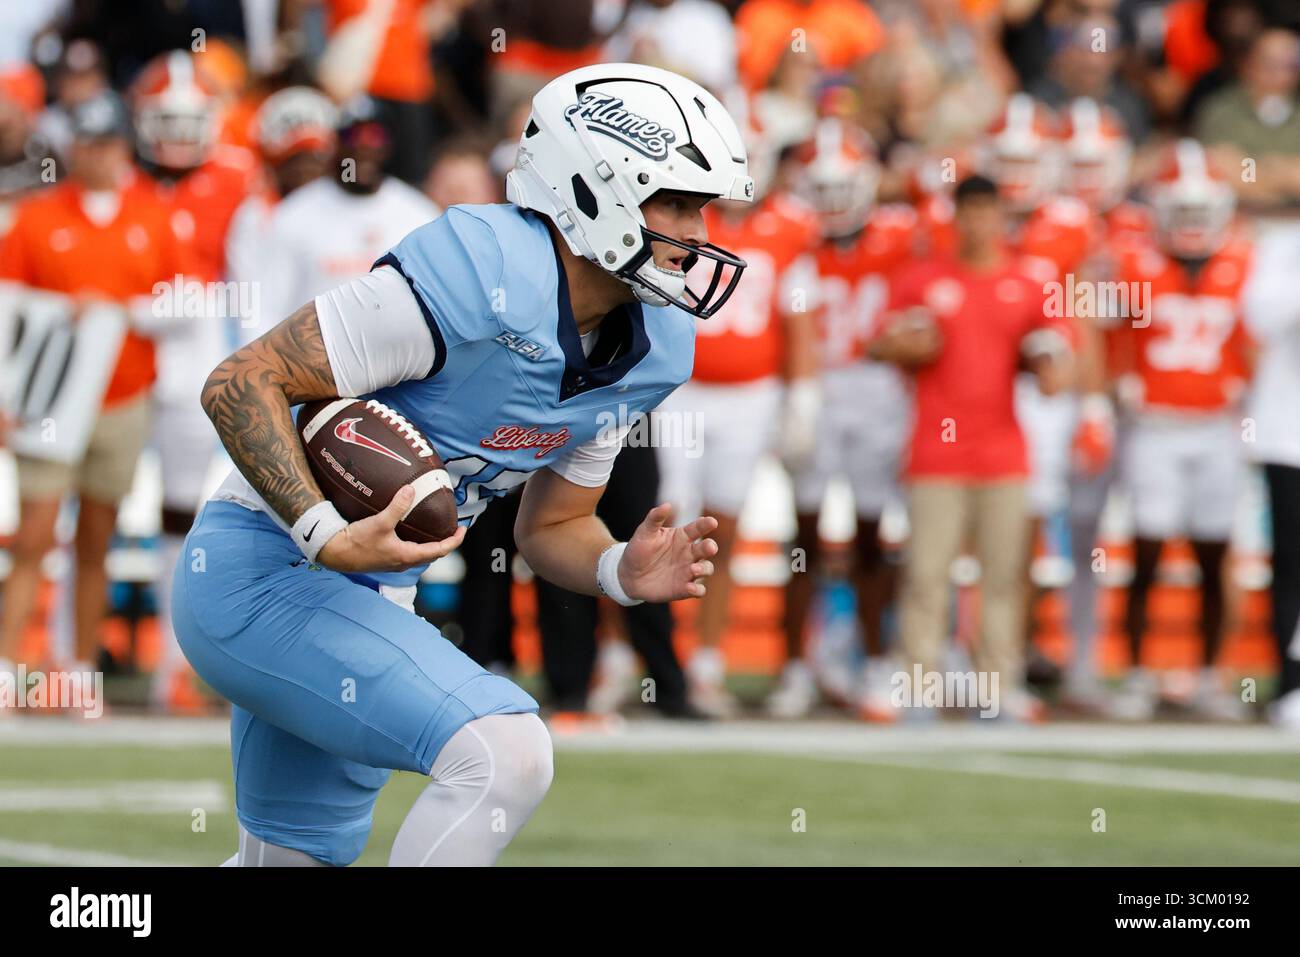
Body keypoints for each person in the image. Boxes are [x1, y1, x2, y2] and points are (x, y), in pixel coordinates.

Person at [173, 63, 750, 866]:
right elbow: (242, 381)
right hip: (266, 570)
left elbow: (554, 525)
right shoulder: (480, 269)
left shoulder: (653, 344)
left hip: (373, 598)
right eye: (679, 203)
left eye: (705, 208)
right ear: (595, 188)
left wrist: (618, 568)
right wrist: (323, 535)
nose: (699, 233)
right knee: (506, 752)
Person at [0, 91, 192, 694]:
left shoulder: (152, 214)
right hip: (51, 402)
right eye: (86, 143)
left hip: (122, 396)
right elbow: (9, 315)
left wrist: (120, 311)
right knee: (33, 535)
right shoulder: (37, 217)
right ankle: (10, 668)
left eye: (106, 142)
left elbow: (182, 300)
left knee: (95, 540)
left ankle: (78, 670)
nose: (97, 154)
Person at [870, 174, 1074, 724]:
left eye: (988, 212)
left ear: (1002, 216)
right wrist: (901, 346)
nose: (978, 223)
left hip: (1004, 449)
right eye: (969, 212)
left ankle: (998, 687)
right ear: (955, 217)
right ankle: (917, 685)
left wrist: (1048, 362)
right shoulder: (922, 278)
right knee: (927, 573)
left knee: (1003, 576)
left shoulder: (1029, 281)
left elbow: (1057, 363)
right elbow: (878, 341)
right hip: (936, 448)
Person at [773, 116, 916, 721]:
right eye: (820, 189)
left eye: (842, 188)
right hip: (815, 386)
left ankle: (875, 662)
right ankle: (796, 667)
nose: (831, 203)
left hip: (879, 389)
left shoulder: (903, 232)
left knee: (871, 532)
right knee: (803, 535)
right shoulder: (789, 235)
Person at [1109, 139, 1255, 723]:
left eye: (1202, 212)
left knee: (1213, 551)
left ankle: (1213, 676)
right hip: (1154, 426)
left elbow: (1260, 340)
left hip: (1218, 427)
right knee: (1145, 548)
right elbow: (1102, 329)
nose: (1192, 225)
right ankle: (1141, 673)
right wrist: (1112, 391)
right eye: (1183, 212)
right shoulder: (1132, 261)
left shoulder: (1245, 263)